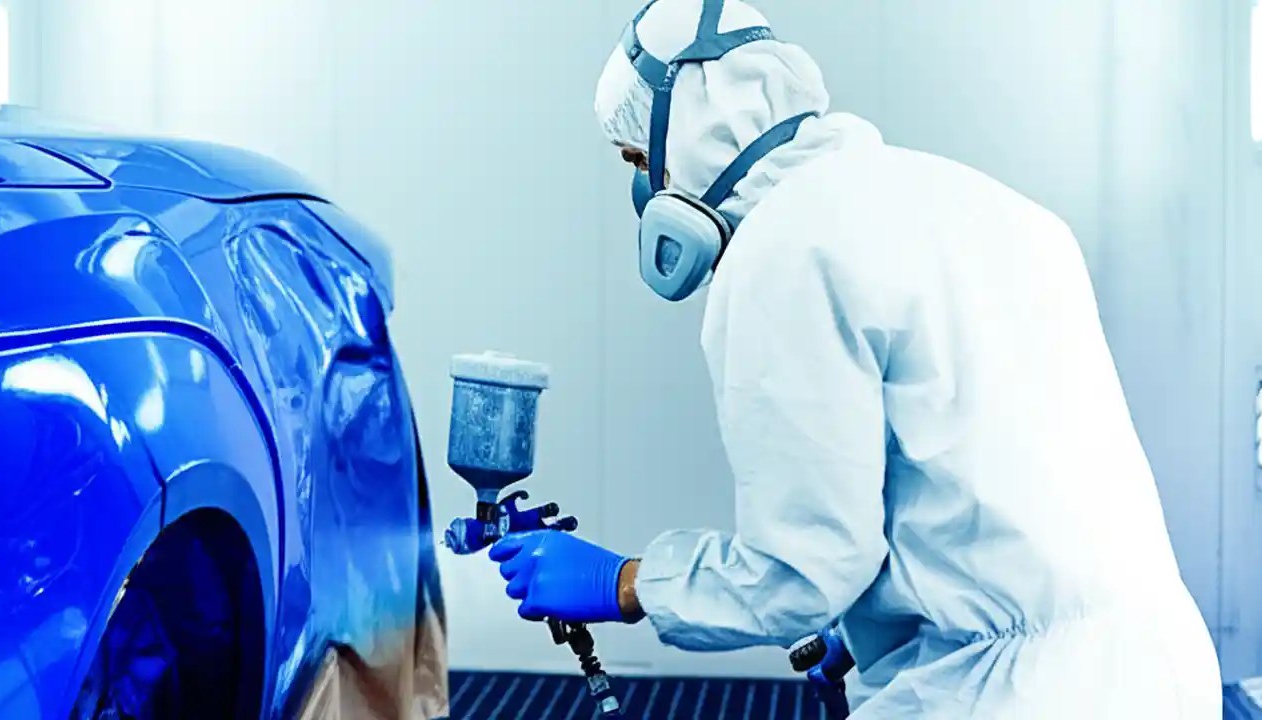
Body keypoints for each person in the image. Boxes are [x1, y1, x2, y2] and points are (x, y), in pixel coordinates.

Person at [489, 0, 1223, 716]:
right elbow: (985, 477)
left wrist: (625, 583)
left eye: (640, 156)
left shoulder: (785, 246)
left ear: (685, 131)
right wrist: (881, 610)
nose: (644, 187)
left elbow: (800, 573)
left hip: (1006, 693)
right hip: (1163, 668)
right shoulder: (997, 209)